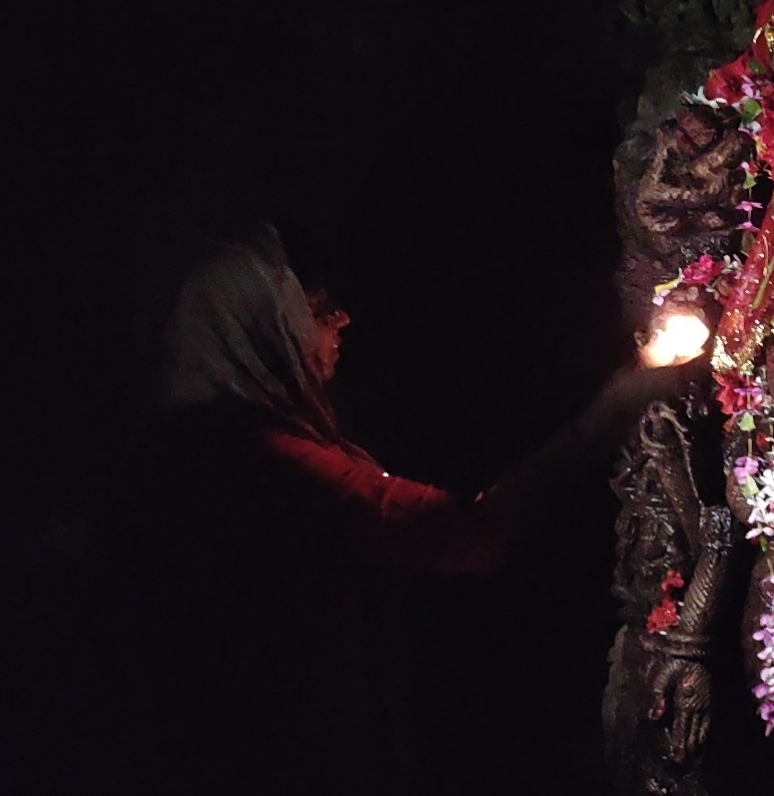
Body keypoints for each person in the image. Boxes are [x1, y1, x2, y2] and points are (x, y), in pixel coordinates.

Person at [105, 225, 702, 794]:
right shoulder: (262, 465)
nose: (342, 319)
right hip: (273, 753)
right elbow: (465, 535)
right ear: (261, 332)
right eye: (316, 310)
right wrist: (612, 409)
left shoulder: (178, 446)